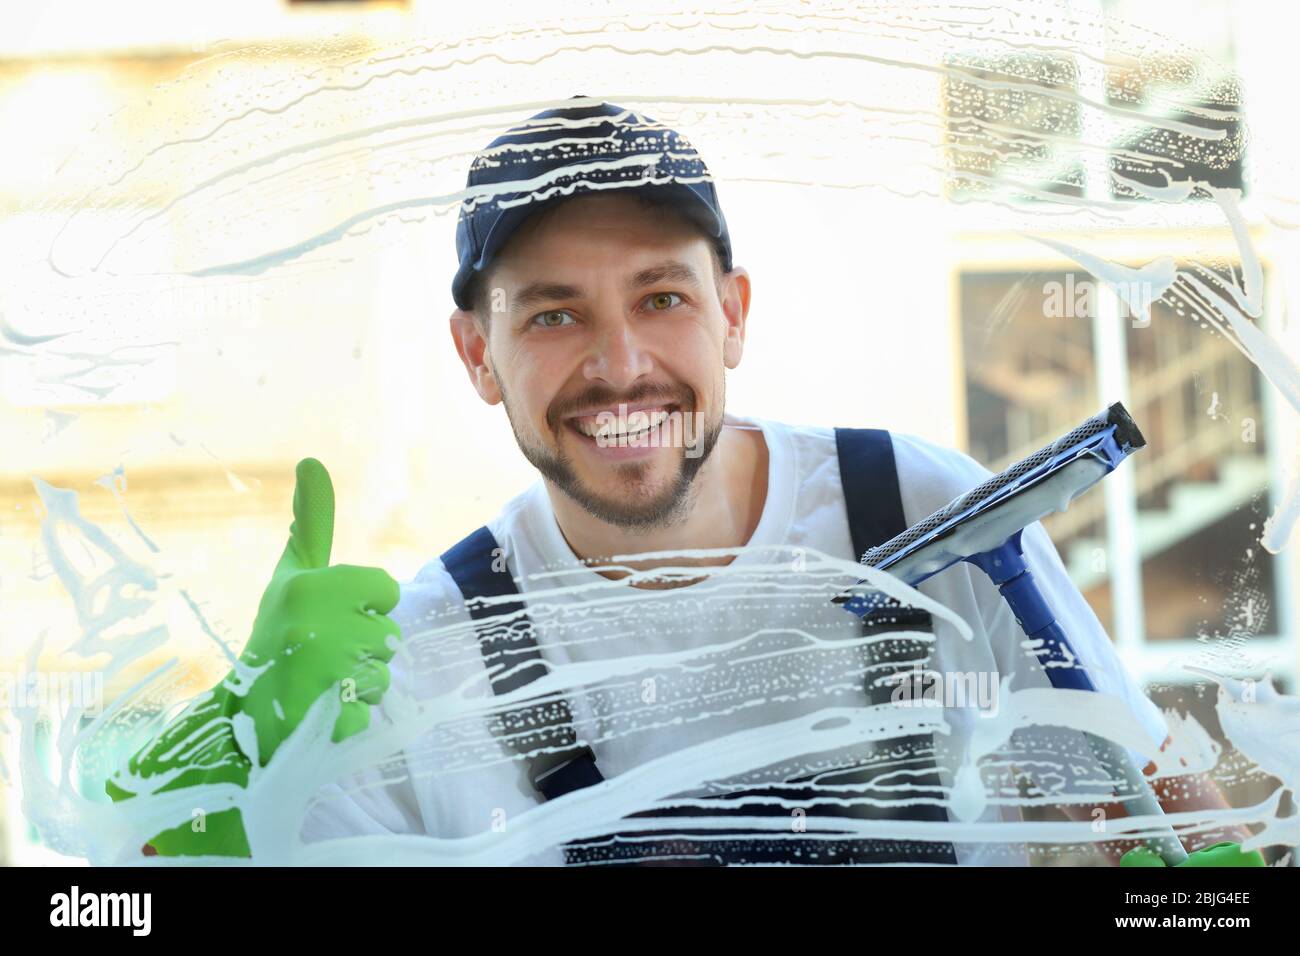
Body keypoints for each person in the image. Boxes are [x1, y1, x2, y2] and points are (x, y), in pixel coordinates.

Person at [106, 97, 1257, 867]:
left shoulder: (918, 510)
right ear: (475, 354)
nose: (617, 366)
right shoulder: (426, 658)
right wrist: (211, 791)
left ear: (733, 313)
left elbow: (1145, 815)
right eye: (553, 313)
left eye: (660, 296)